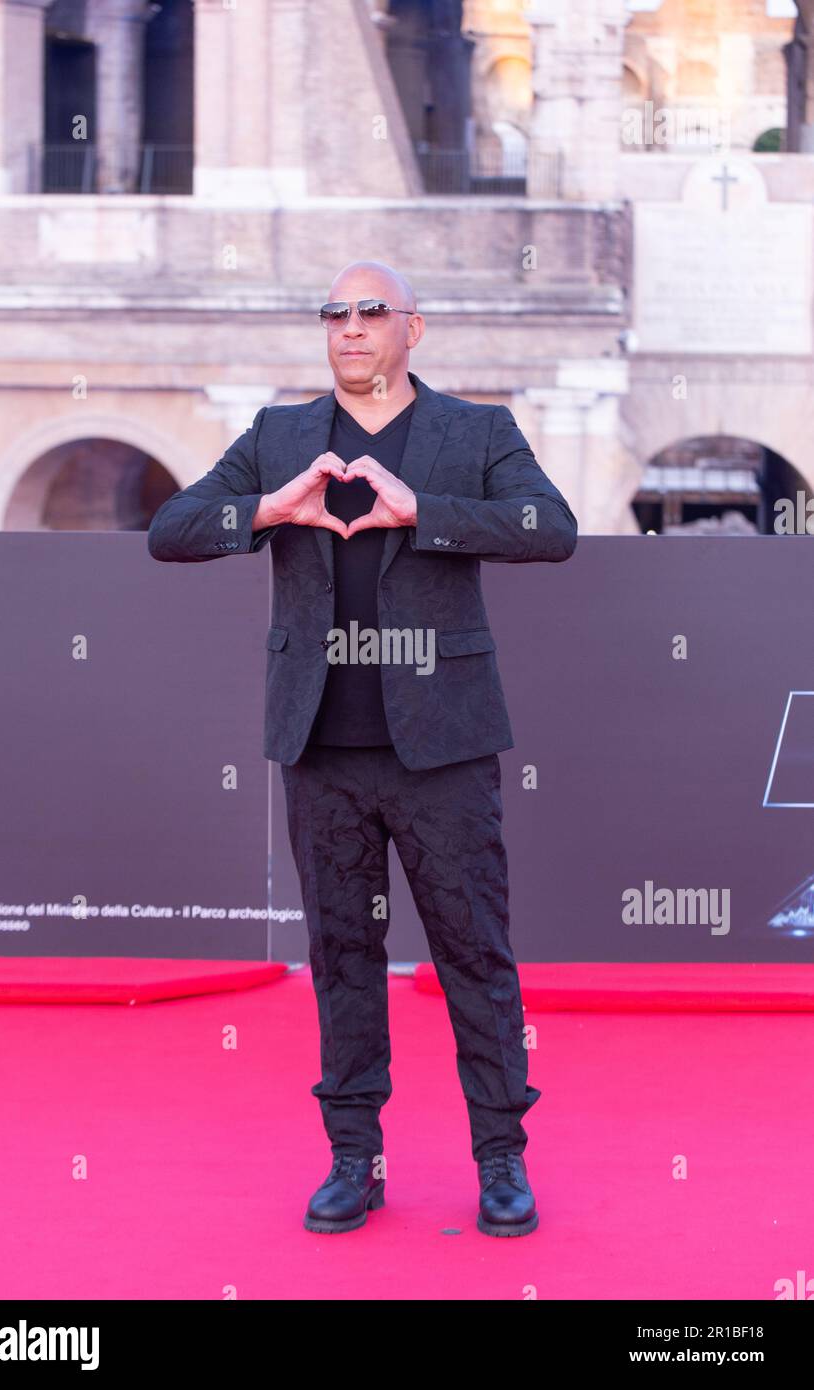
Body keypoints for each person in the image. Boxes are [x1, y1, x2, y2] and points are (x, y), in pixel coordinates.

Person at [147, 260, 578, 1237]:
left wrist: (422, 507)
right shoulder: (278, 437)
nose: (349, 327)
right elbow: (168, 530)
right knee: (341, 956)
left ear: (411, 329)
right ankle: (355, 1160)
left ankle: (500, 1161)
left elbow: (547, 528)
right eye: (333, 313)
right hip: (320, 749)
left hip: (445, 748)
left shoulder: (474, 433)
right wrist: (269, 508)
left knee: (476, 954)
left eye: (370, 310)